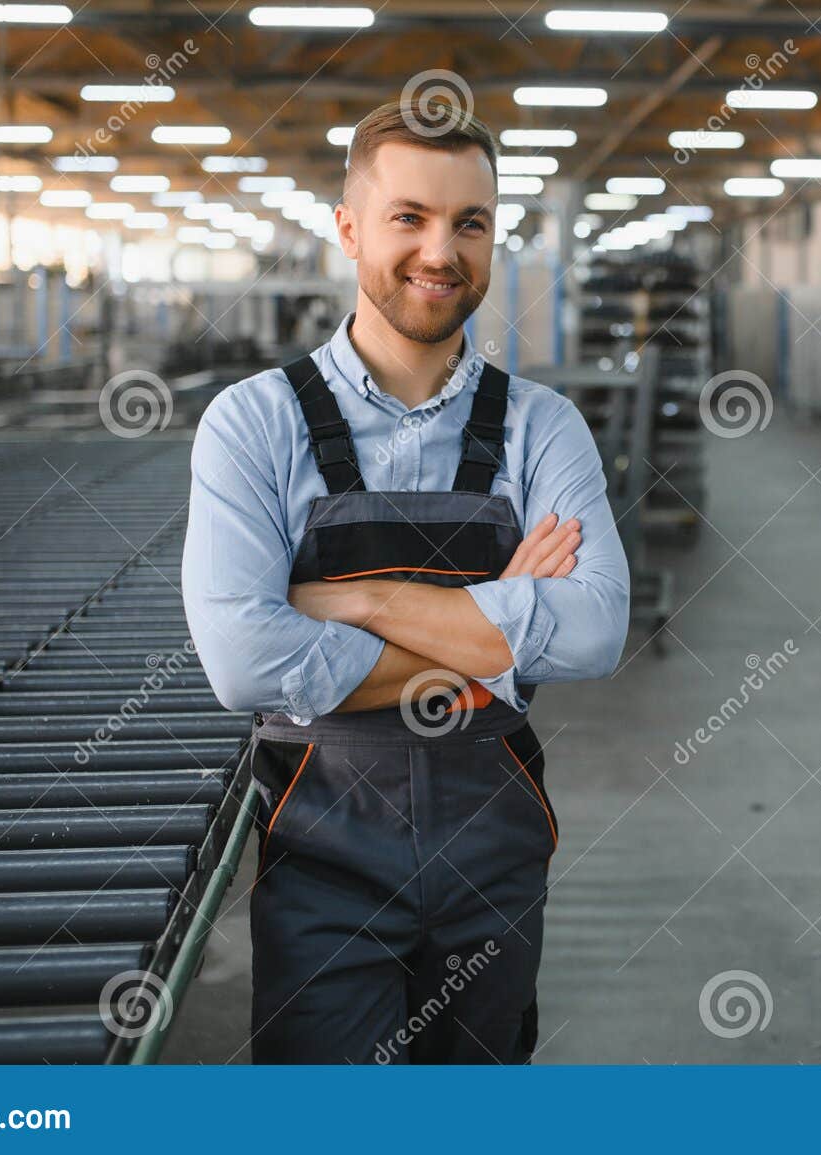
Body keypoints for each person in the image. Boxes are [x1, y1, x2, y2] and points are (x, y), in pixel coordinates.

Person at [182, 97, 631, 1064]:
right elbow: (245, 664)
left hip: (494, 854)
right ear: (347, 229)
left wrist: (355, 598)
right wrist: (497, 628)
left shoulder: (542, 426)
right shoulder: (253, 423)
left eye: (470, 222)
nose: (442, 250)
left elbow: (594, 632)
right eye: (409, 217)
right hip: (324, 861)